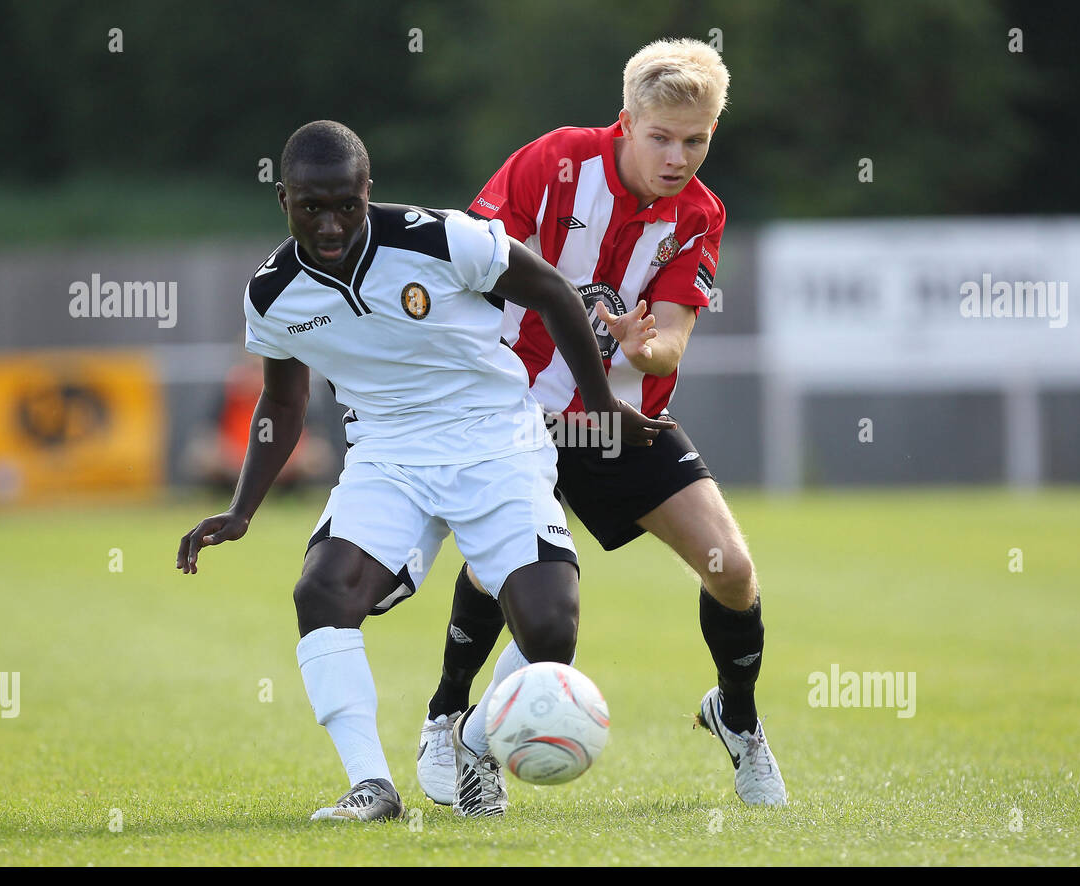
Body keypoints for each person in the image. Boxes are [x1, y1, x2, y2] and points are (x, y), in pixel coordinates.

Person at [175, 120, 671, 822]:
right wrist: (243, 508)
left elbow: (556, 292)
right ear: (282, 198)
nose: (330, 222)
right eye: (311, 205)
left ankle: (470, 736)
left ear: (367, 191)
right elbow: (283, 402)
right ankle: (371, 786)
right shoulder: (273, 294)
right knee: (323, 593)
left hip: (495, 440)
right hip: (390, 457)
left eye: (346, 203)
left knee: (552, 631)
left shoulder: (441, 237)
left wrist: (601, 405)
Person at [416, 38, 788, 809]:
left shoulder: (700, 215)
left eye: (697, 140)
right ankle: (449, 723)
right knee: (502, 566)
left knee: (731, 570)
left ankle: (738, 719)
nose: (678, 156)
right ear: (626, 122)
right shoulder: (552, 162)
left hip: (620, 422)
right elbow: (469, 264)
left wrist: (645, 347)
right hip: (516, 410)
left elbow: (673, 341)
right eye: (662, 136)